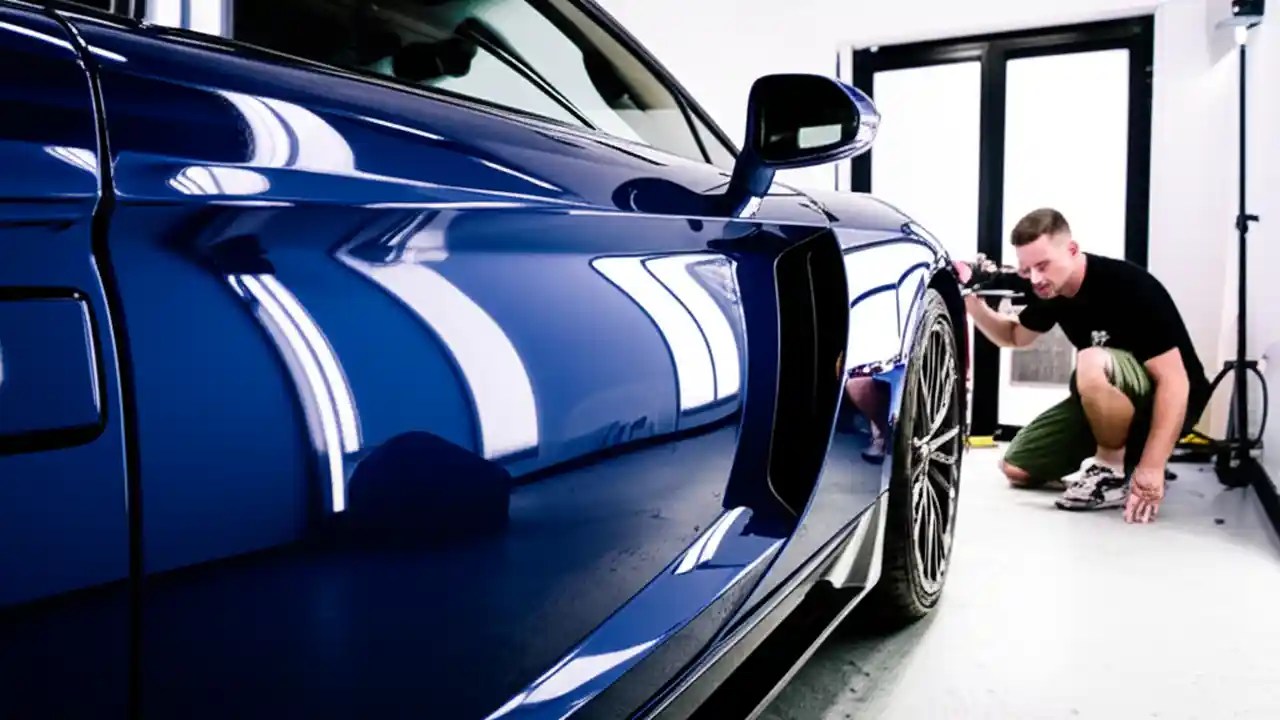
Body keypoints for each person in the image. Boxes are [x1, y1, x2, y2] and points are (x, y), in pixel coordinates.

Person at [955, 208, 1211, 523]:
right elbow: (1014, 336)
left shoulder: (1130, 286)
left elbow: (1176, 382)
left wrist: (1152, 466)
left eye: (1042, 265)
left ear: (1072, 250)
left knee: (1091, 359)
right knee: (1017, 468)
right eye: (1027, 270)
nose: (1035, 278)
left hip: (1171, 398)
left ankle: (1112, 470)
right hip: (1111, 396)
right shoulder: (1050, 290)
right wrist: (969, 302)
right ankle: (1121, 455)